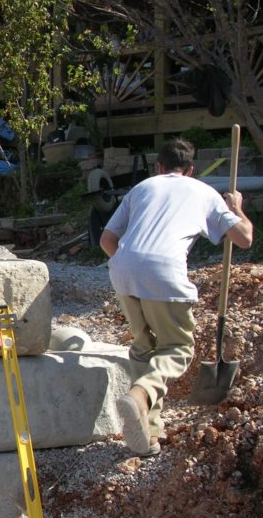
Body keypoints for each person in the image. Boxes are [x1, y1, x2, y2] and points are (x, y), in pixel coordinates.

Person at [99, 138, 253, 456]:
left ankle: (149, 434)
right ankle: (141, 394)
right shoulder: (204, 192)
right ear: (191, 169)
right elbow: (245, 238)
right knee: (178, 350)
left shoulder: (142, 188)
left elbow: (107, 239)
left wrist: (131, 268)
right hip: (164, 271)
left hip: (123, 269)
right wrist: (236, 208)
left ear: (159, 166)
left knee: (144, 350)